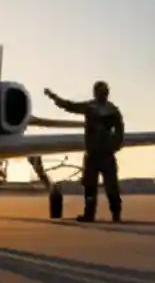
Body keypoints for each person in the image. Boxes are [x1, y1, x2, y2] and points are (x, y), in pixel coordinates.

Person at [44, 82, 125, 222]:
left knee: (107, 186)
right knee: (92, 186)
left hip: (100, 153)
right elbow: (69, 106)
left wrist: (115, 145)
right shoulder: (105, 109)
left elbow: (120, 131)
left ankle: (109, 213)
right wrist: (54, 97)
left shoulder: (102, 109)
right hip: (97, 153)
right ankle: (99, 214)